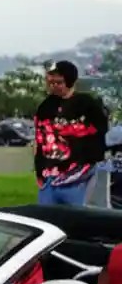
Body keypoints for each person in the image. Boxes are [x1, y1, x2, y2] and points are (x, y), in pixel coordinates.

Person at [34, 60, 108, 206]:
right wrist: (39, 170)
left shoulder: (87, 104)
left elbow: (100, 133)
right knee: (47, 220)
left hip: (79, 177)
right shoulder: (45, 107)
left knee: (78, 221)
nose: (54, 85)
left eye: (59, 82)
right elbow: (39, 139)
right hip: (49, 177)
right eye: (51, 82)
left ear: (69, 81)